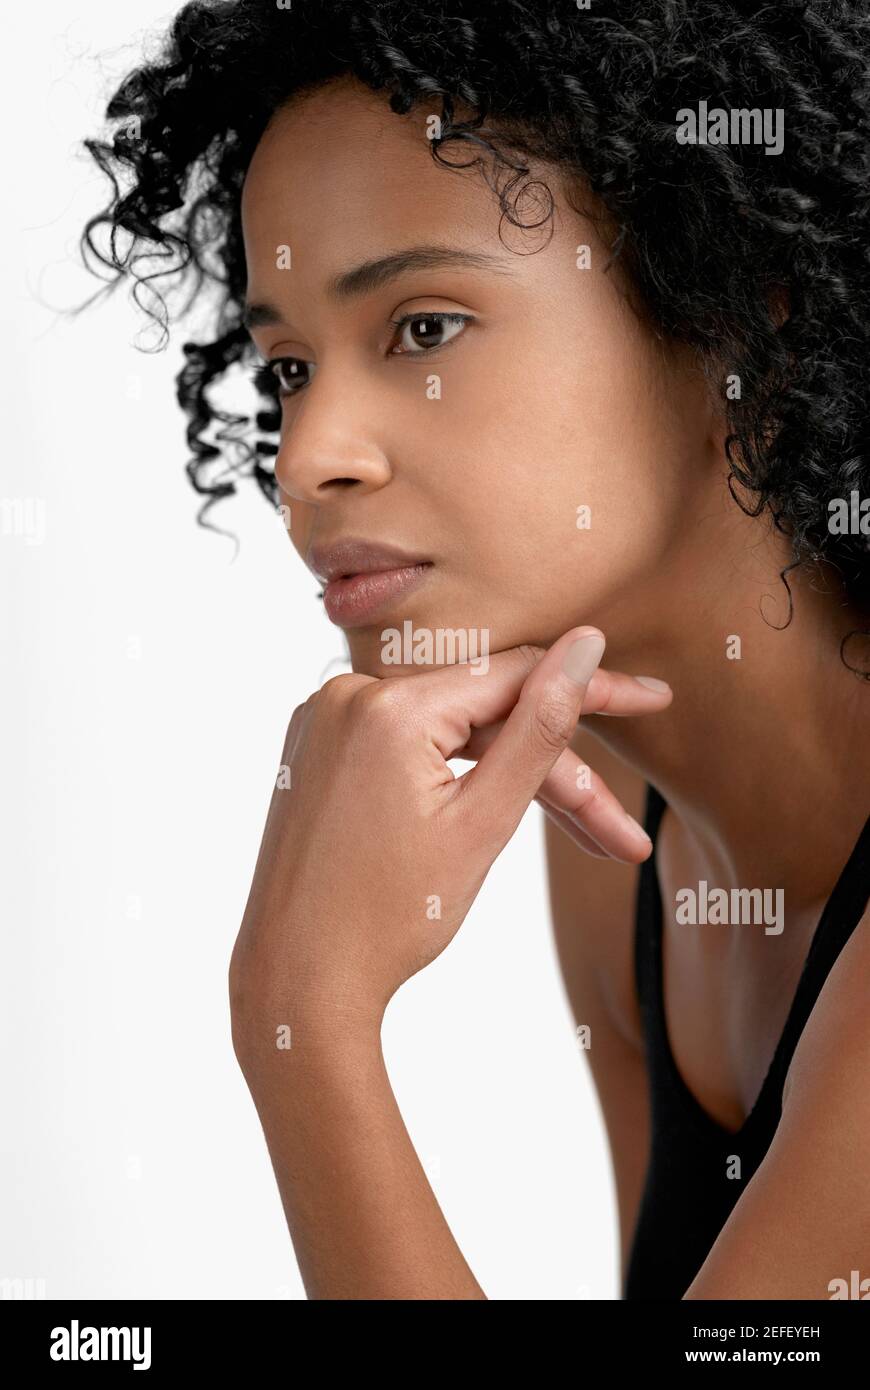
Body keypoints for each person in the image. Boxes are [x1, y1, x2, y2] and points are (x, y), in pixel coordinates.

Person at [80, 0, 870, 1299]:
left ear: (741, 313)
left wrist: (304, 1016)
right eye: (286, 367)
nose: (310, 458)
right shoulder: (623, 843)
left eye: (422, 329)